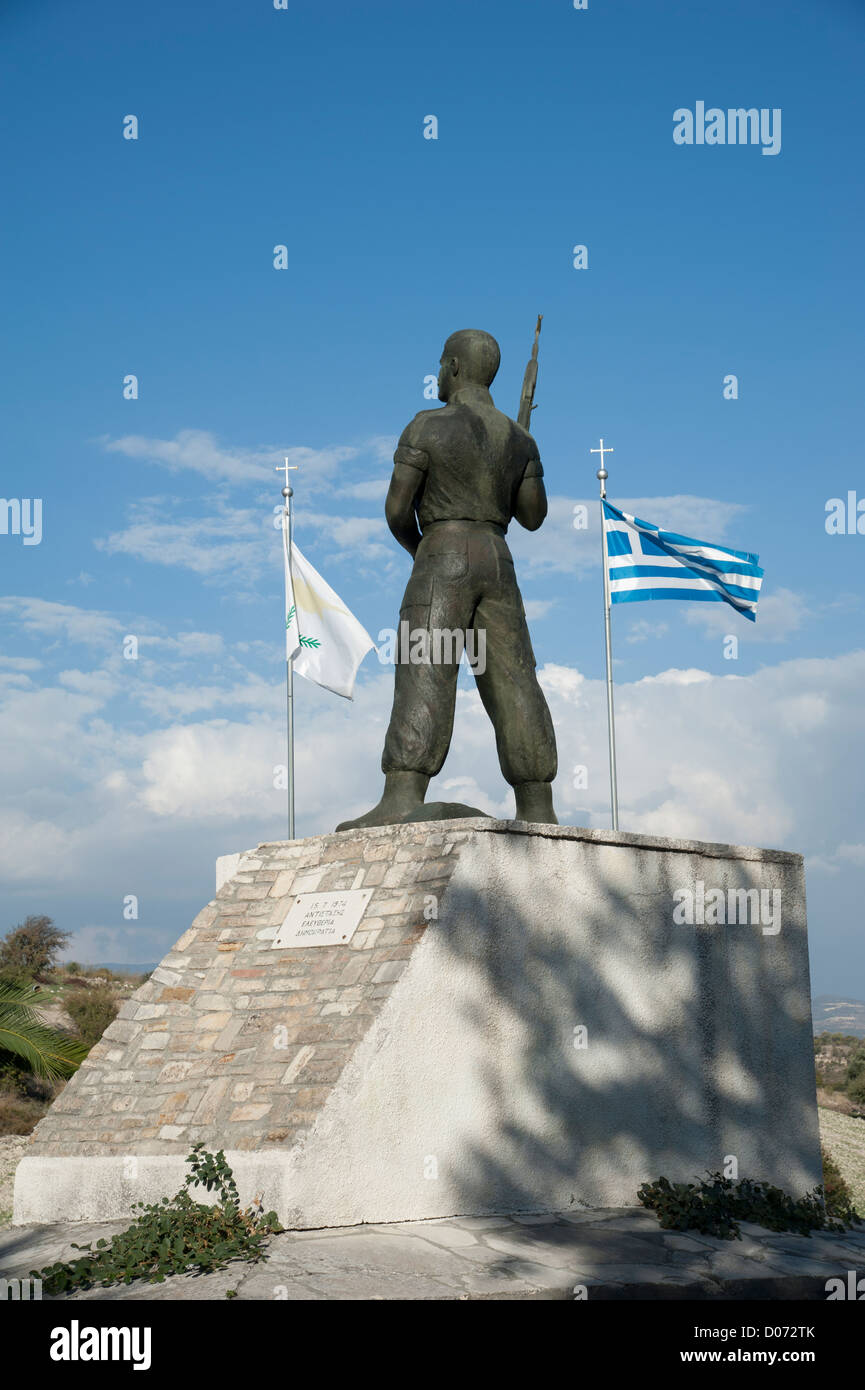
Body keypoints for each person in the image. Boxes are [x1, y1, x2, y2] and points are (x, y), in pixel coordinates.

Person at [337, 328, 558, 829]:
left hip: (442, 552)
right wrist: (524, 455)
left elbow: (396, 510)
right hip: (498, 560)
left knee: (425, 665)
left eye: (440, 365)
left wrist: (425, 555)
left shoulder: (426, 426)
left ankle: (402, 792)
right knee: (514, 676)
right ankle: (537, 802)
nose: (438, 374)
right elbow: (533, 516)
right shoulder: (517, 438)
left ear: (455, 368)